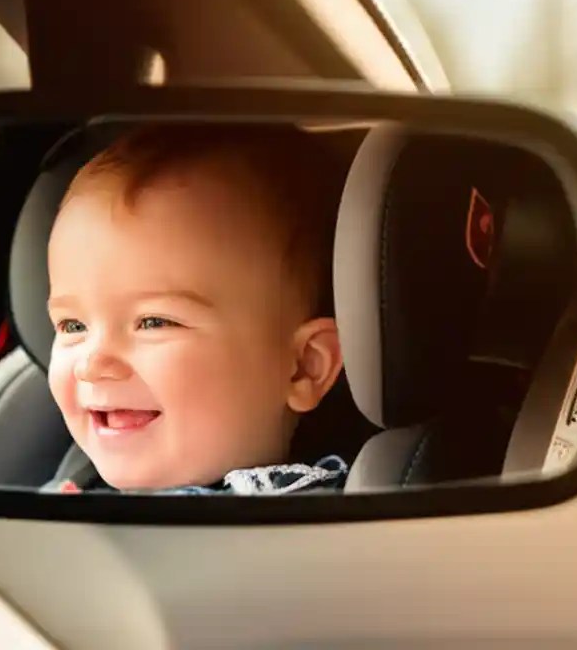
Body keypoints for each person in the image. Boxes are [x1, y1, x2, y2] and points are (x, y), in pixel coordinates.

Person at [42, 122, 350, 495]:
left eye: (154, 322)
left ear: (303, 367)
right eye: (73, 326)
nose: (92, 365)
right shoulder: (67, 488)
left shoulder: (307, 529)